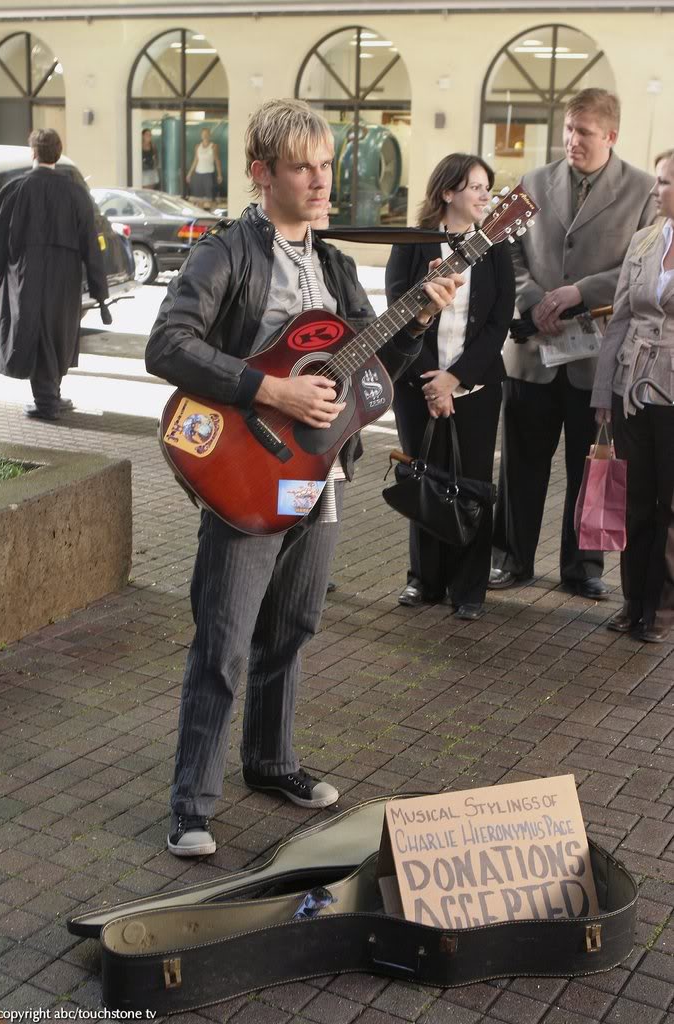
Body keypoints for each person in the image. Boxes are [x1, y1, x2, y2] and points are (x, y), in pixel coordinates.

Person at [146, 99, 459, 857]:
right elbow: (166, 346)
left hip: (319, 477)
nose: (322, 181)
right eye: (303, 168)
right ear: (262, 173)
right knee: (222, 641)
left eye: (326, 166)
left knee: (292, 629)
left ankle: (271, 762)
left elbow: (372, 379)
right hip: (244, 474)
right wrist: (269, 390)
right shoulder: (227, 254)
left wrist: (417, 321)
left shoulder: (336, 265)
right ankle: (191, 803)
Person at [490, 88, 656, 600]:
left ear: (610, 136)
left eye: (583, 133)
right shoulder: (532, 183)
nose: (571, 141)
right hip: (534, 351)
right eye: (568, 130)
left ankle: (583, 568)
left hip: (595, 358)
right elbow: (504, 253)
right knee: (520, 464)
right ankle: (511, 557)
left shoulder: (643, 191)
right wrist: (535, 297)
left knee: (591, 466)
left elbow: (640, 266)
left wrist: (579, 292)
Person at [386, 153, 515, 620]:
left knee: (472, 485)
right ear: (447, 192)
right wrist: (431, 381)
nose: (486, 195)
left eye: (488, 187)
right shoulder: (412, 243)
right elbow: (398, 320)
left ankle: (469, 590)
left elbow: (499, 322)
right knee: (425, 478)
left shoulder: (496, 245)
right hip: (418, 384)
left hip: (475, 387)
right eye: (476, 187)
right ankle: (424, 580)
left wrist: (455, 378)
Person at [591, 150, 674, 643]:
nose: (656, 190)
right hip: (632, 390)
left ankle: (661, 609)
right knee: (636, 501)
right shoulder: (644, 239)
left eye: (664, 183)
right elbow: (620, 319)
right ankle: (632, 601)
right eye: (659, 181)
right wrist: (603, 392)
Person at [0, 128, 109, 421]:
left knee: (33, 332)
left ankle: (47, 402)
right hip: (65, 278)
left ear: (33, 153)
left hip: (25, 276)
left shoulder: (14, 190)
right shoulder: (76, 193)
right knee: (57, 334)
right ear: (57, 154)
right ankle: (49, 396)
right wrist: (99, 292)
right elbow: (90, 245)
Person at [186, 126, 223, 200]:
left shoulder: (213, 146)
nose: (205, 136)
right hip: (198, 175)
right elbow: (195, 161)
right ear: (201, 135)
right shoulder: (197, 146)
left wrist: (219, 175)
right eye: (203, 134)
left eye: (206, 134)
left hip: (209, 175)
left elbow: (217, 161)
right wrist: (189, 174)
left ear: (209, 135)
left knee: (209, 197)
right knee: (198, 198)